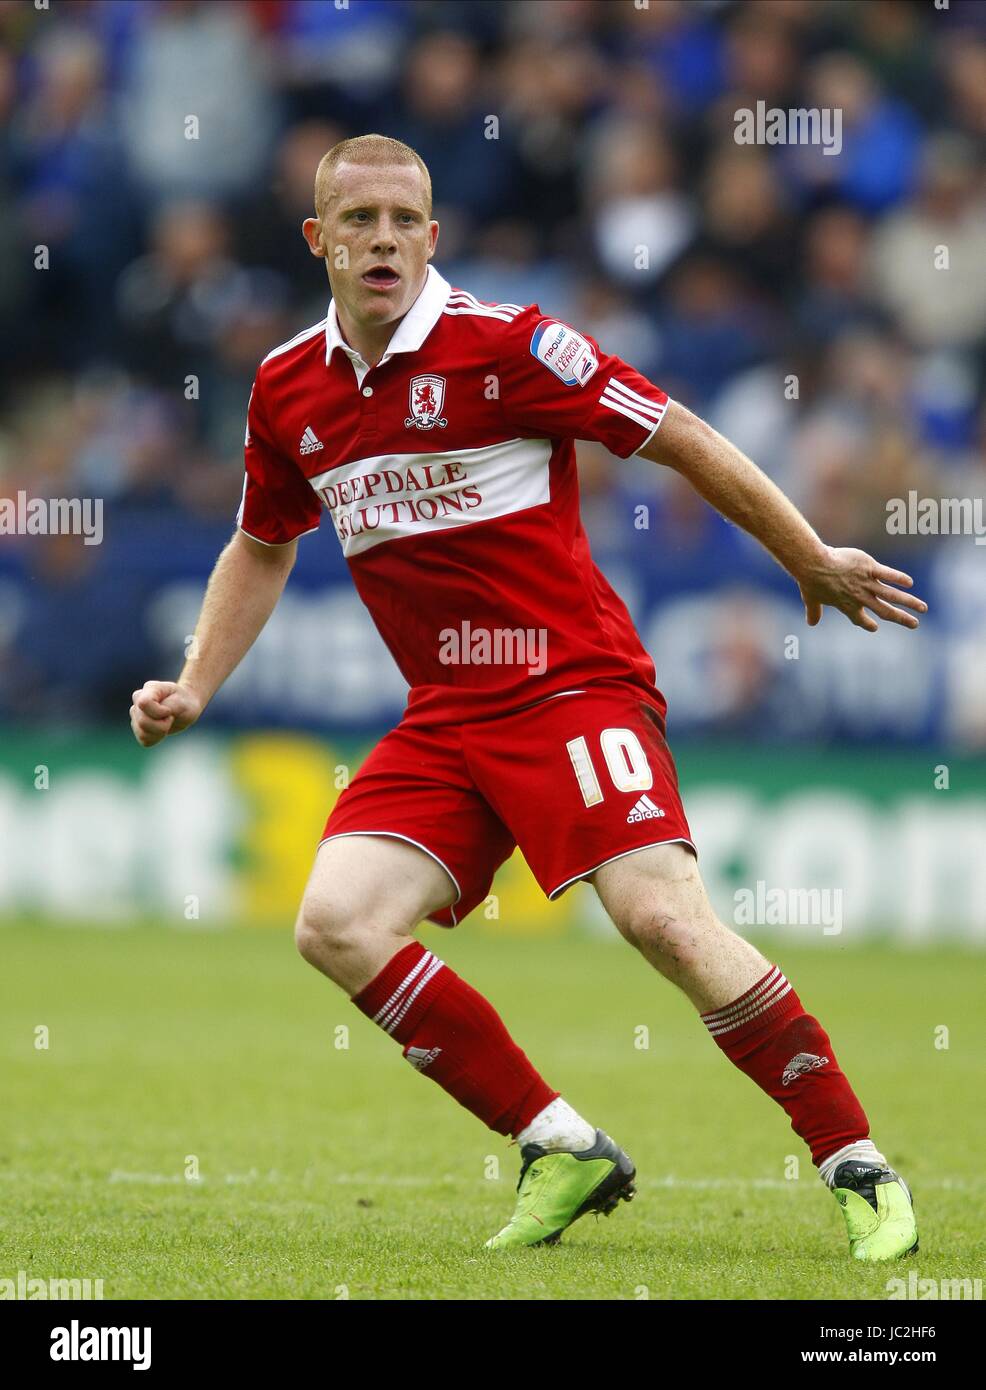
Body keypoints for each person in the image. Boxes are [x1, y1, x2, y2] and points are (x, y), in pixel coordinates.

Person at [130, 135, 923, 1258]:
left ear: (433, 235)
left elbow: (679, 436)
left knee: (659, 918)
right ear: (319, 240)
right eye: (358, 221)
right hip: (447, 714)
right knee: (335, 923)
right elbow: (260, 545)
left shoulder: (511, 347)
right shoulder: (284, 388)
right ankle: (558, 1144)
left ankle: (855, 1160)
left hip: (569, 686)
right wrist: (196, 684)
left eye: (405, 220)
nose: (384, 241)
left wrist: (803, 555)